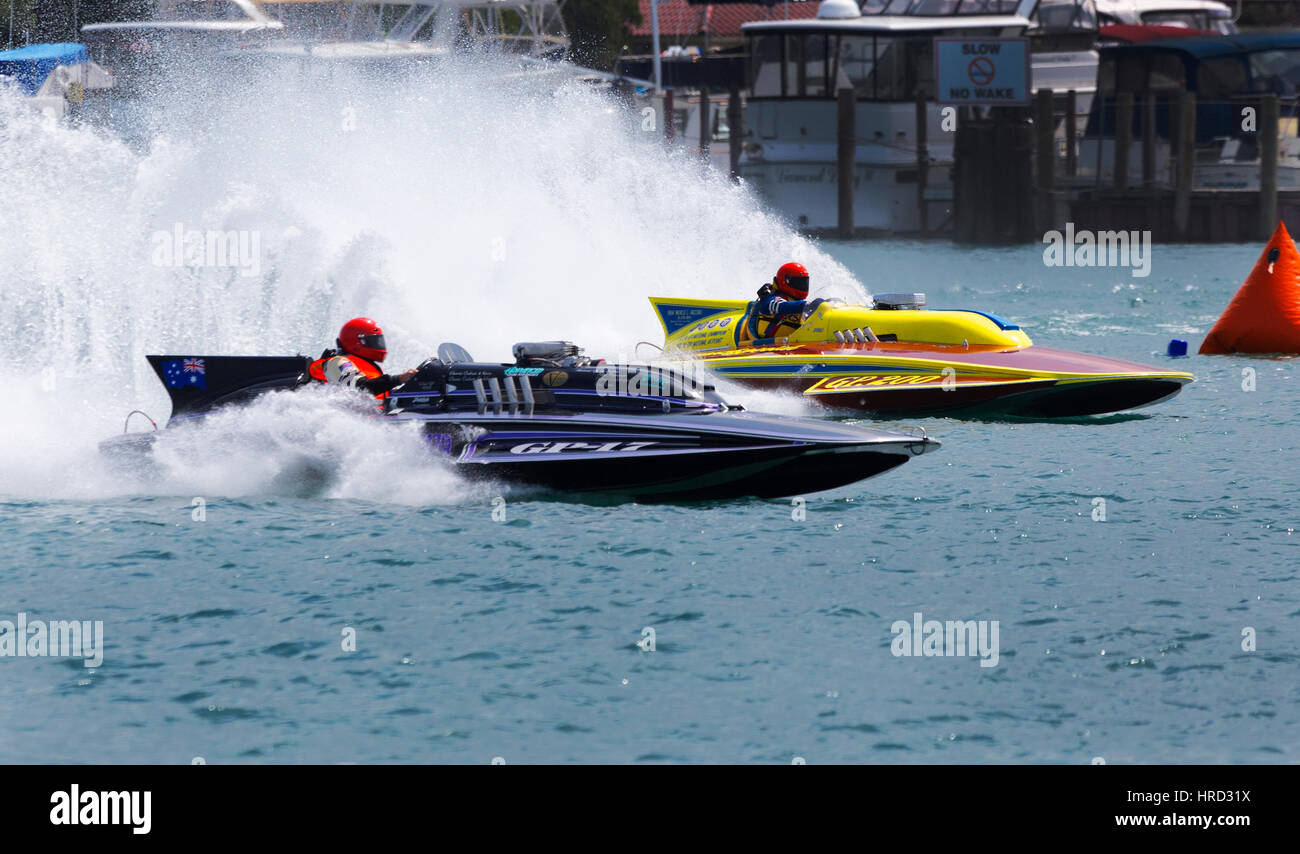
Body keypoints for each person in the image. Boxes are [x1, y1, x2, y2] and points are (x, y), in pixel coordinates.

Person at [307, 317, 417, 401]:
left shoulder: (370, 367)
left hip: (378, 417)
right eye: (374, 341)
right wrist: (398, 379)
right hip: (351, 419)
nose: (378, 345)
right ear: (359, 342)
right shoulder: (337, 362)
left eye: (379, 341)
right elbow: (360, 389)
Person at [740, 262, 814, 345]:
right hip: (764, 343)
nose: (803, 286)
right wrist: (806, 305)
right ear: (786, 281)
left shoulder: (795, 301)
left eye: (804, 282)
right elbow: (781, 306)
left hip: (789, 344)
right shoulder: (771, 298)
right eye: (799, 283)